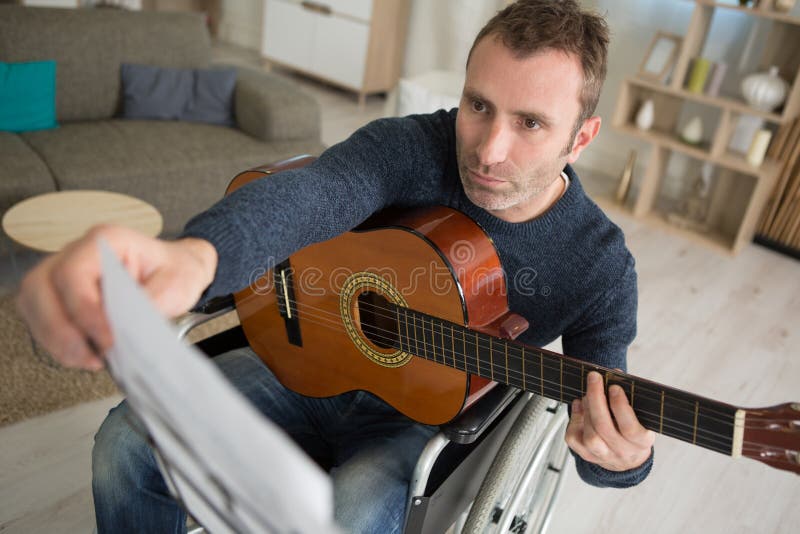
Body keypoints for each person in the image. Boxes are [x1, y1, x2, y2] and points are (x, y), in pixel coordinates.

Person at [16, 0, 656, 532]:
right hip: (309, 353)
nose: (488, 149)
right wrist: (195, 255)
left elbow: (606, 423)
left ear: (582, 137)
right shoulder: (416, 145)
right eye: (478, 104)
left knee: (349, 517)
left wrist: (620, 457)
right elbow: (315, 193)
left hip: (419, 423)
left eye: (532, 123)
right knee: (126, 444)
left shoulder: (599, 266)